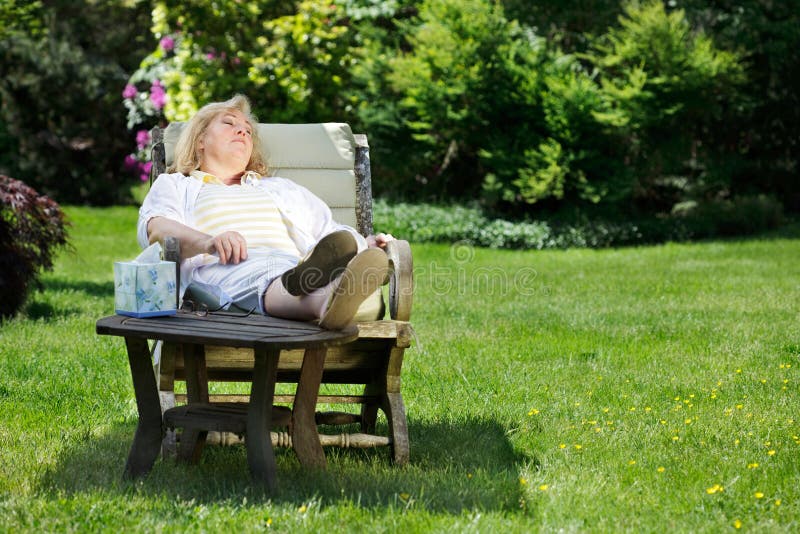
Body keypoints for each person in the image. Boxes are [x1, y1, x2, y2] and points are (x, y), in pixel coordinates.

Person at [137, 95, 394, 329]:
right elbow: (156, 227)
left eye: (248, 131)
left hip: (294, 264)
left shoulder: (279, 188)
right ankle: (329, 298)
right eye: (229, 124)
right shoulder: (178, 184)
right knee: (266, 272)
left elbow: (332, 236)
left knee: (296, 268)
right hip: (222, 268)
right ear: (200, 139)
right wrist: (209, 242)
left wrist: (366, 245)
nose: (242, 131)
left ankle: (333, 289)